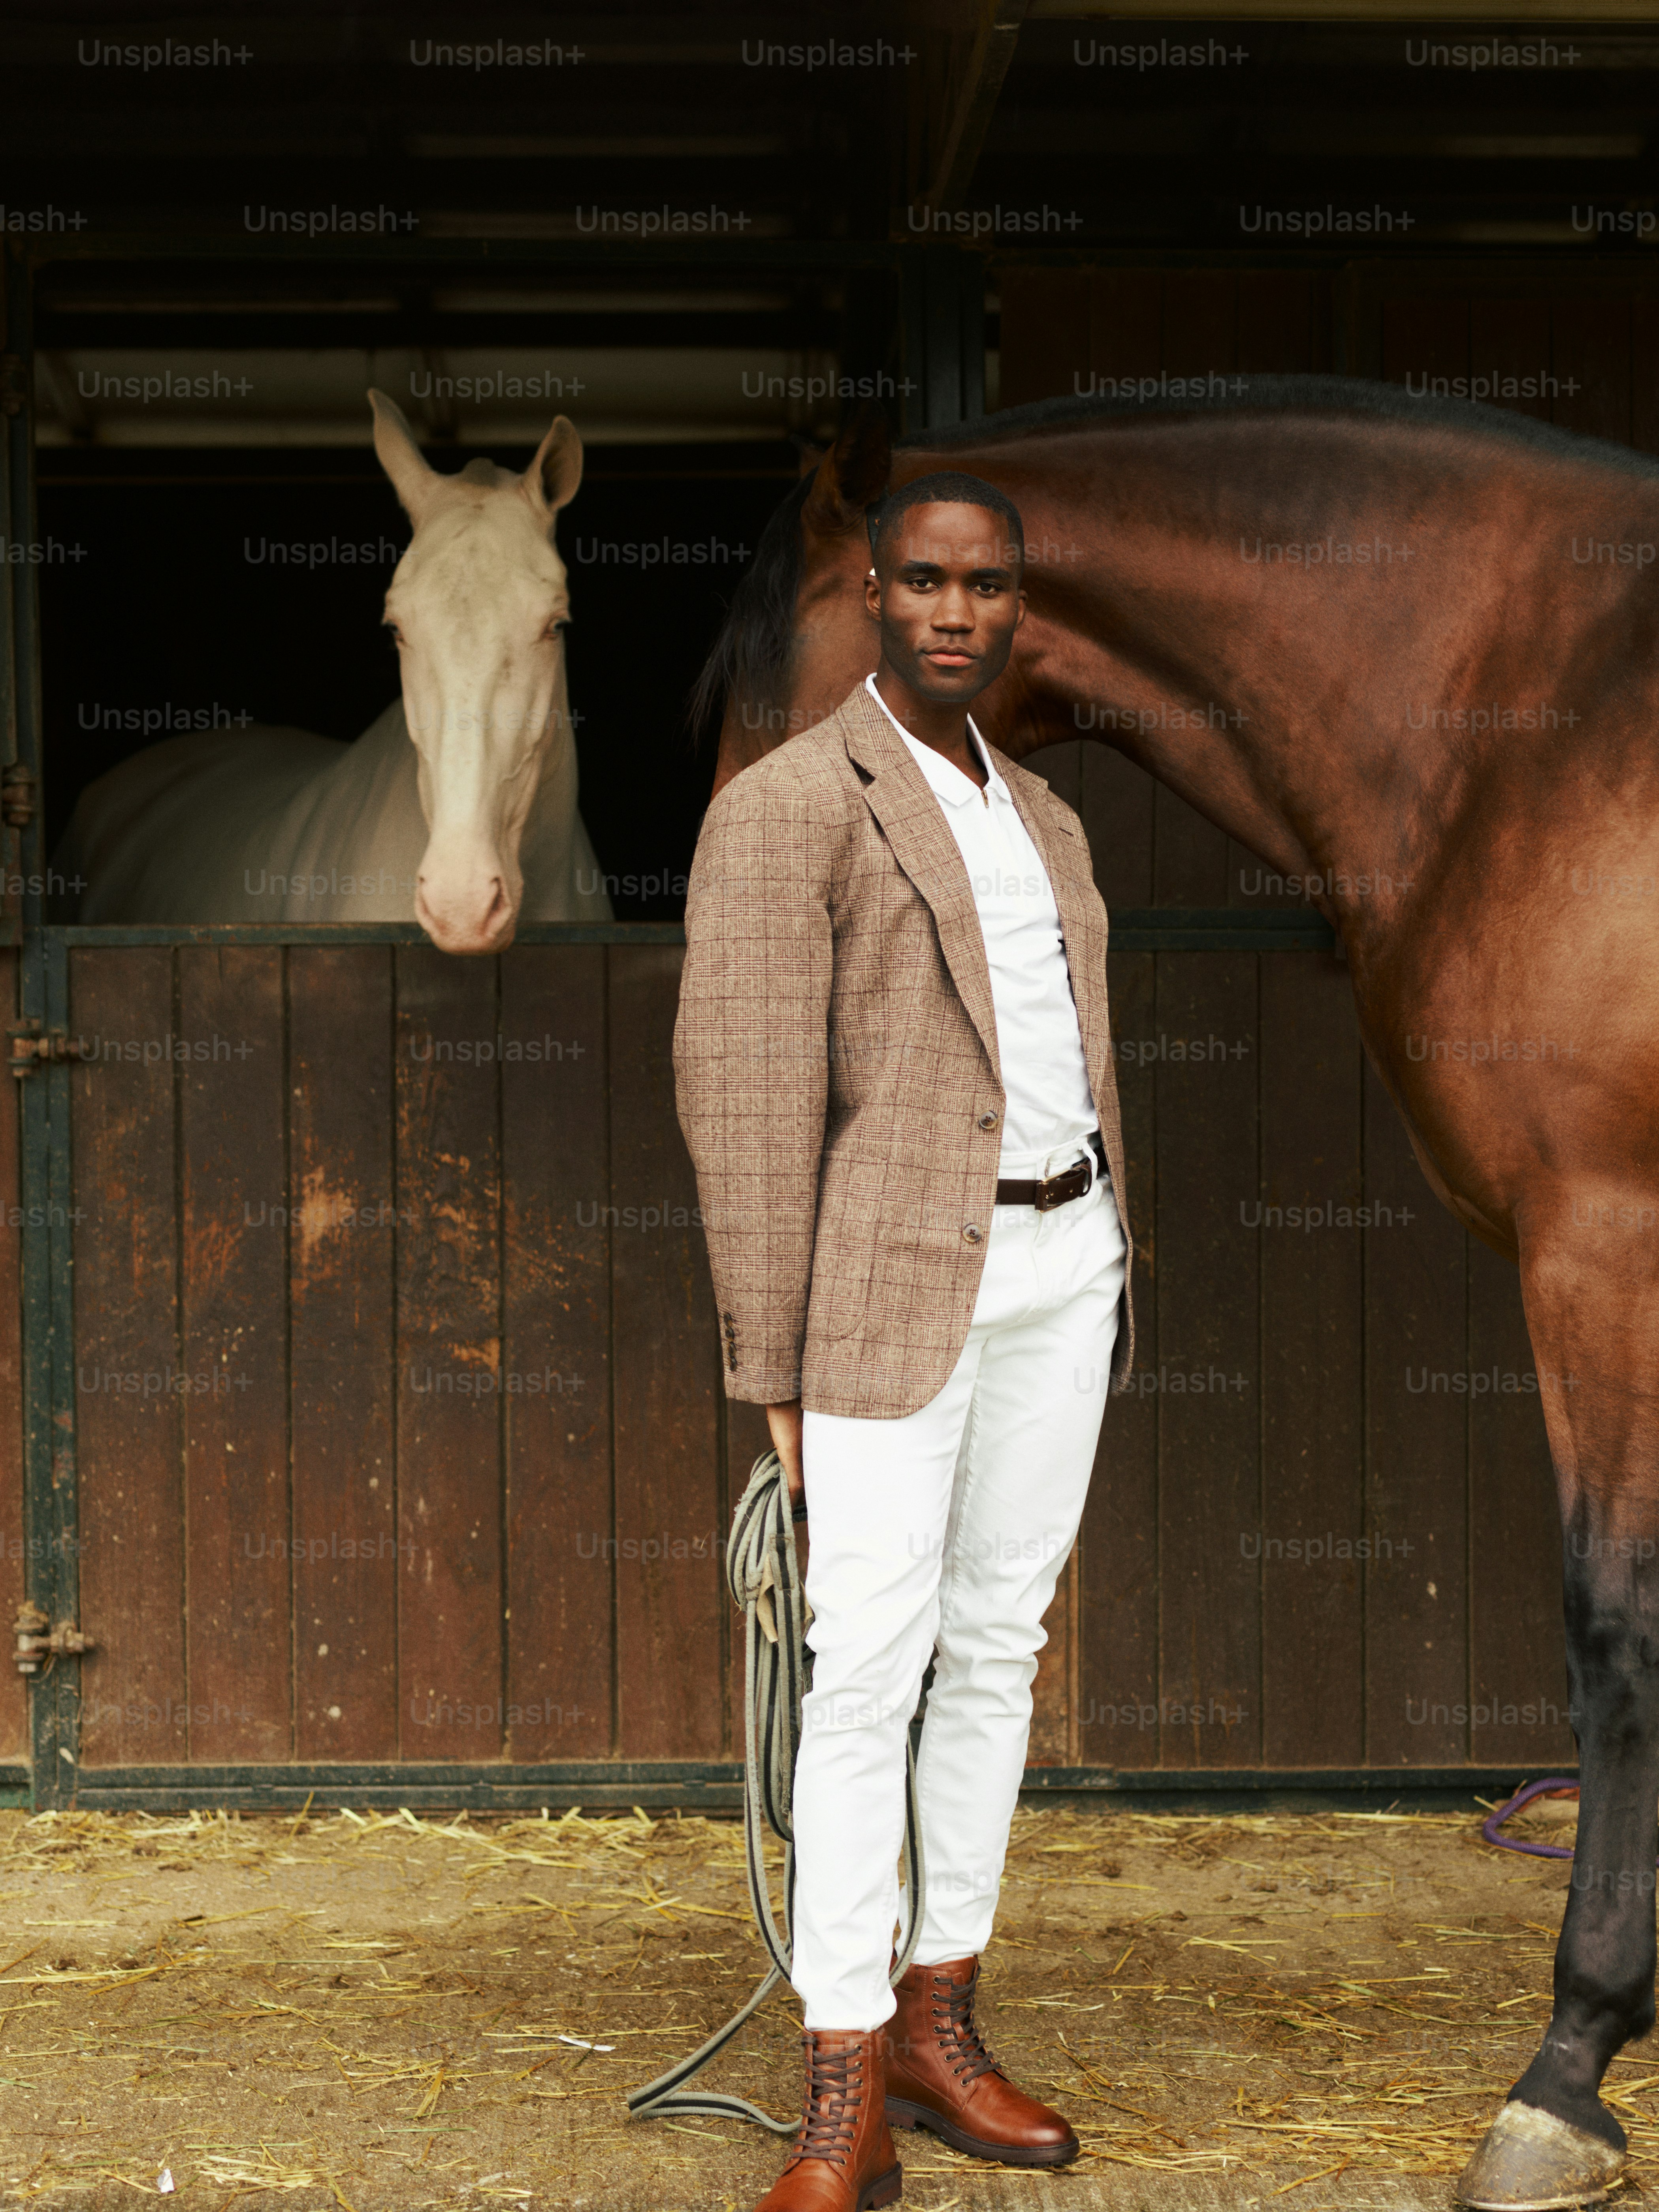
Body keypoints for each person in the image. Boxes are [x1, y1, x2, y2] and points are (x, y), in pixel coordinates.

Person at [674, 468, 1133, 2212]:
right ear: (875, 593)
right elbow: (742, 1090)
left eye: (986, 584)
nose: (954, 610)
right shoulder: (793, 805)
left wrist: (1104, 1243)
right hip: (880, 1289)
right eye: (923, 581)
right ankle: (842, 2076)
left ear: (1020, 605)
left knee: (998, 1641)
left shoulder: (1051, 818)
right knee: (866, 1670)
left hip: (1064, 1263)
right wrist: (770, 1361)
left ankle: (945, 2011)